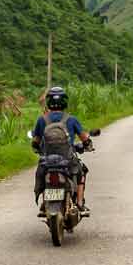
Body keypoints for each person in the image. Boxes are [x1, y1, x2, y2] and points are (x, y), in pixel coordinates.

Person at [32, 85, 91, 215]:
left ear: (48, 102)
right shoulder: (71, 119)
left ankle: (44, 202)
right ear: (64, 102)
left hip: (47, 159)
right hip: (67, 159)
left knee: (41, 174)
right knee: (82, 171)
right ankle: (80, 203)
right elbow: (83, 137)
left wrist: (36, 147)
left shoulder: (42, 119)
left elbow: (35, 141)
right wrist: (87, 143)